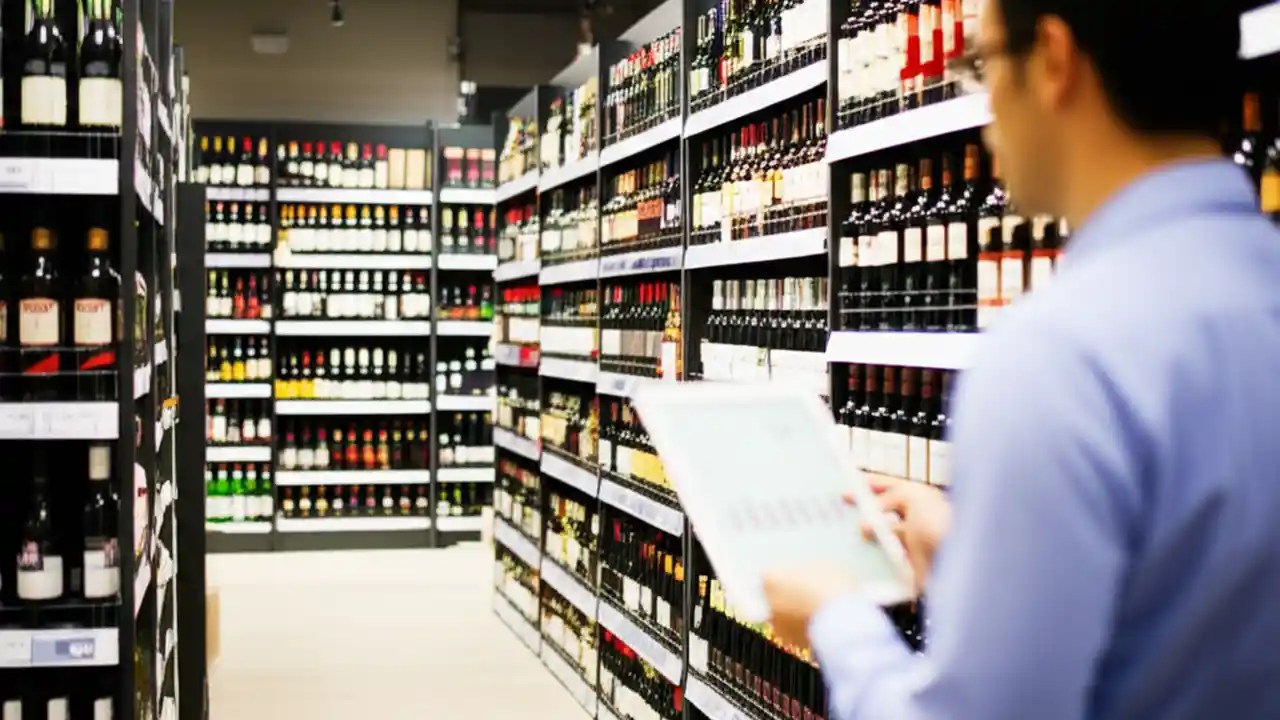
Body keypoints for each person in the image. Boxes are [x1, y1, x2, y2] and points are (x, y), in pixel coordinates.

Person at [763, 0, 1280, 718]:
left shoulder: (1058, 359)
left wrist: (834, 619)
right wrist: (977, 554)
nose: (982, 108)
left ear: (1054, 62)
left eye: (982, 65)